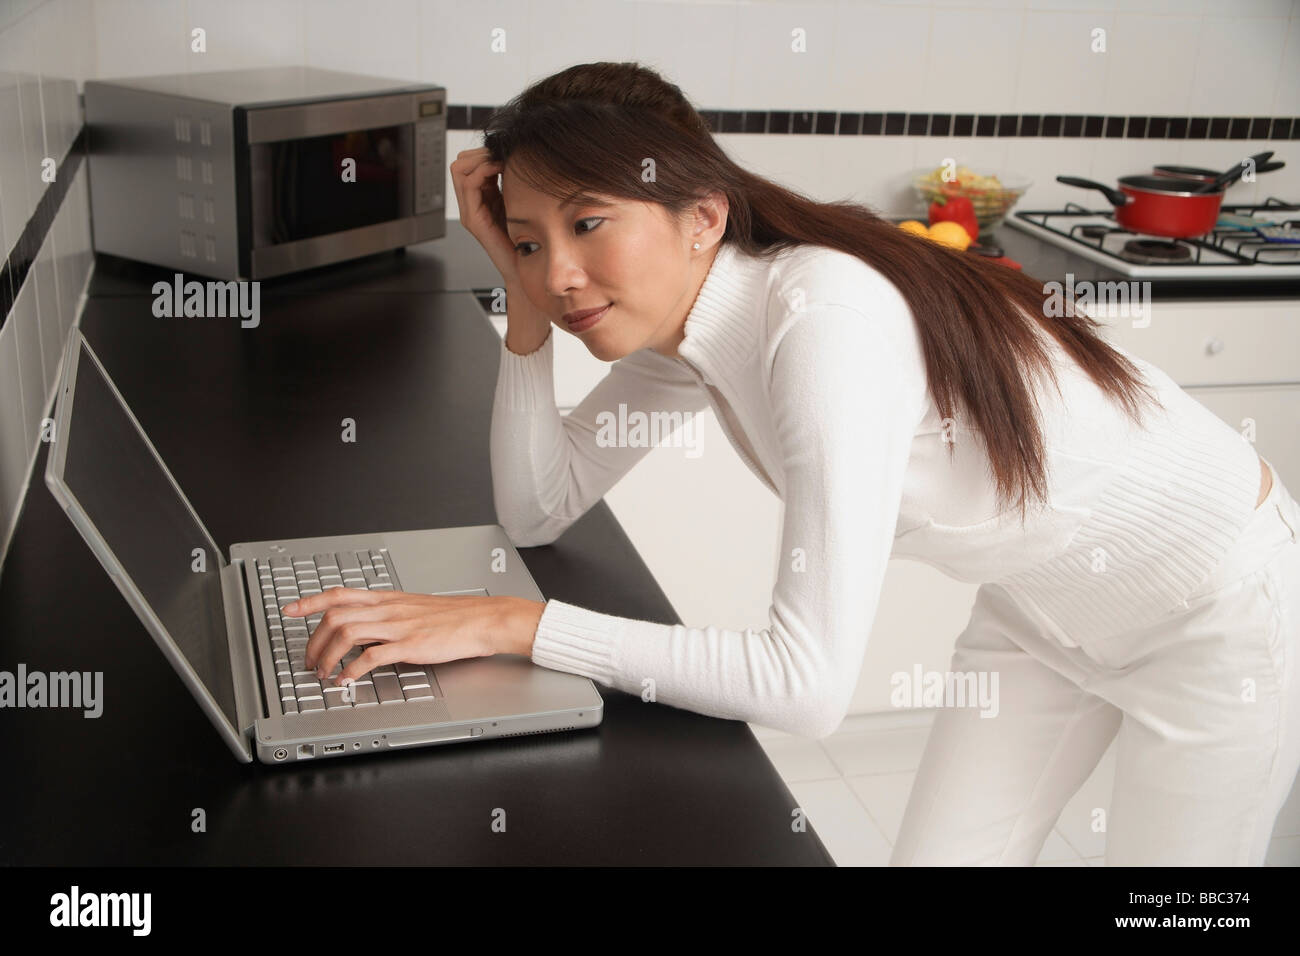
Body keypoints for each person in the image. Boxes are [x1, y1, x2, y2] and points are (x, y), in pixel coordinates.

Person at [439, 61, 1297, 866]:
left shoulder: (821, 326)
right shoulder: (684, 327)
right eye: (527, 244)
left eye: (586, 224)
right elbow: (536, 509)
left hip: (1217, 617)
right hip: (1041, 616)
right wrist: (521, 308)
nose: (560, 274)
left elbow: (805, 687)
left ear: (701, 216)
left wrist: (520, 629)